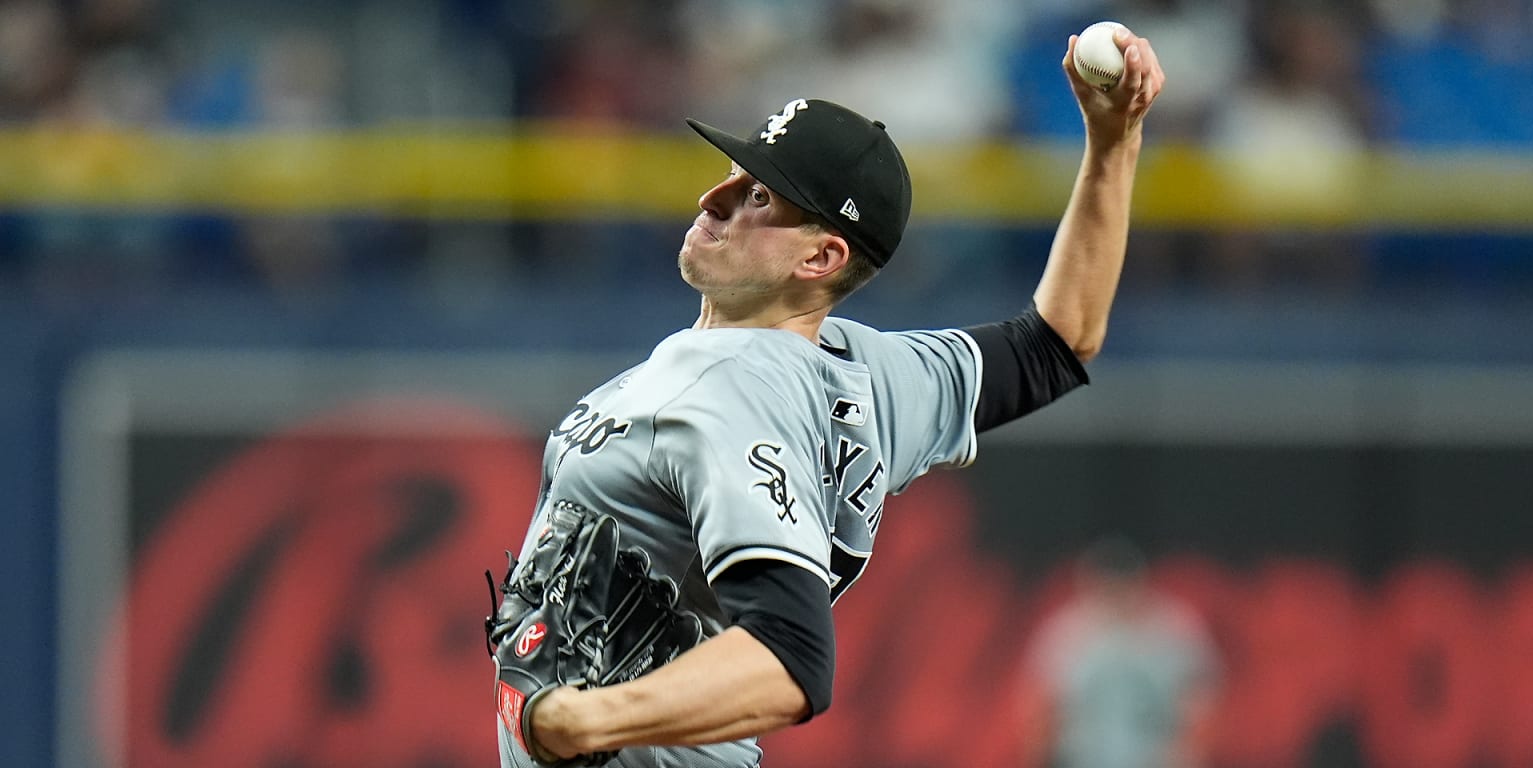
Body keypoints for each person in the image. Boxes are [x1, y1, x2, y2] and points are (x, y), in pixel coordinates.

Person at [495, 25, 1166, 768]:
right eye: (730, 174)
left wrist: (582, 721)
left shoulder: (728, 389)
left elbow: (791, 661)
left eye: (757, 195)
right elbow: (1056, 342)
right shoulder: (868, 374)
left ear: (821, 256)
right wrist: (1114, 142)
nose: (712, 199)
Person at [1016, 537, 1222, 768]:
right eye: (1106, 588)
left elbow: (1199, 711)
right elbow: (1042, 718)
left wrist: (1186, 753)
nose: (1114, 597)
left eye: (1121, 587)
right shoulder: (1063, 636)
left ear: (1139, 582)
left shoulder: (1175, 632)